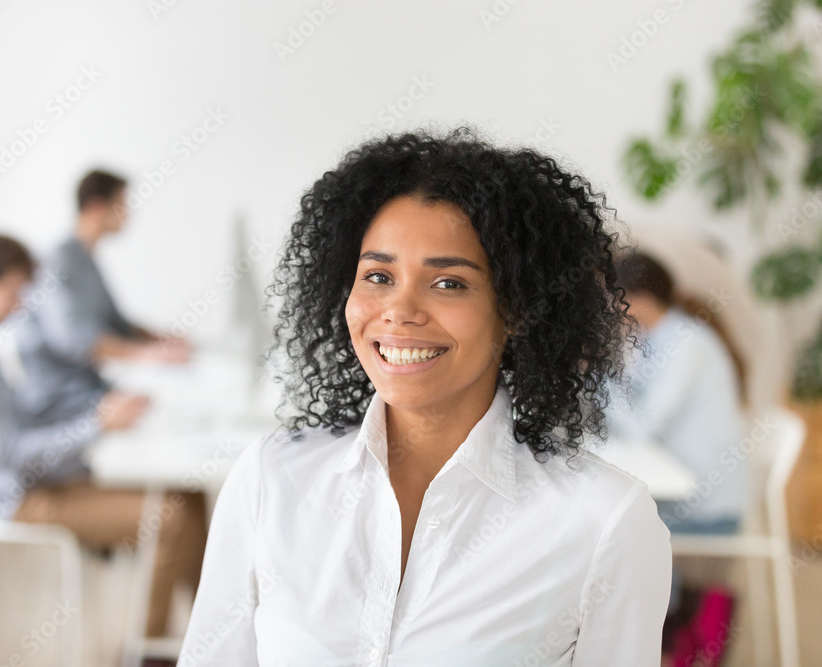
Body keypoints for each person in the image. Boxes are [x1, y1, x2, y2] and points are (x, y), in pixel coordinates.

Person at [179, 129, 672, 666]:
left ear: (517, 309)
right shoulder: (270, 481)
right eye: (379, 275)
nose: (399, 310)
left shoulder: (602, 523)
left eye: (448, 283)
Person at [0, 234, 208, 641]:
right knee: (173, 517)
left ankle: (205, 630)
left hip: (38, 478)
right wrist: (96, 425)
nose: (20, 305)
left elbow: (16, 422)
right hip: (20, 495)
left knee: (190, 495)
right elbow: (10, 453)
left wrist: (94, 412)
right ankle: (150, 651)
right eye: (12, 292)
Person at [605, 251, 748, 665]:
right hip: (683, 491)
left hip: (704, 506)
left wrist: (599, 376)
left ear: (636, 299)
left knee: (613, 532)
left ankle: (645, 645)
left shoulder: (685, 343)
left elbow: (644, 424)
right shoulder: (660, 341)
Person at [12, 169, 191, 421]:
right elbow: (75, 338)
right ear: (97, 207)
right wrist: (144, 355)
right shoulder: (58, 261)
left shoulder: (86, 258)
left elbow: (117, 323)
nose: (128, 213)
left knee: (165, 405)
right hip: (60, 400)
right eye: (122, 204)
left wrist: (163, 339)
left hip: (89, 388)